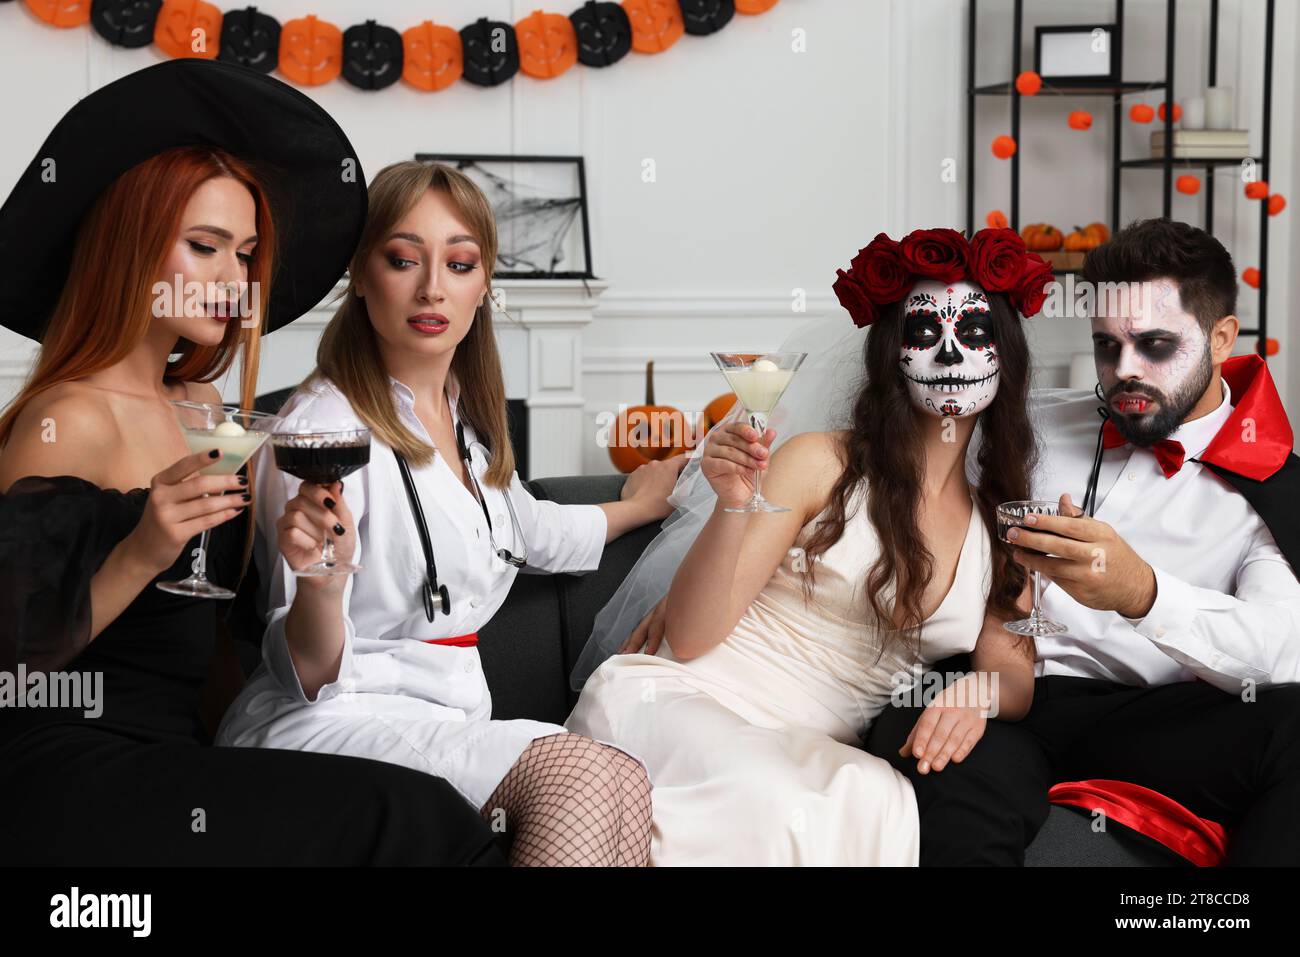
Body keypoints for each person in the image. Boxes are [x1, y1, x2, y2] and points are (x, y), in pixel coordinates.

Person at [0, 60, 503, 864]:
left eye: (245, 254)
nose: (234, 281)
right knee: (415, 819)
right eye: (205, 247)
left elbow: (222, 643)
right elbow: (13, 660)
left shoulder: (209, 414)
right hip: (64, 769)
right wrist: (141, 550)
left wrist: (313, 566)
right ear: (130, 247)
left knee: (420, 812)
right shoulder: (67, 420)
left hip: (181, 760)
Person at [217, 160, 681, 867]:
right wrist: (320, 584)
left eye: (459, 263)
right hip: (330, 722)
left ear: (483, 283)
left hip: (443, 718)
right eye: (403, 259)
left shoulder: (462, 424)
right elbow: (302, 669)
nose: (433, 287)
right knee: (586, 774)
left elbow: (531, 529)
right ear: (361, 275)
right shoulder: (319, 431)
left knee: (622, 779)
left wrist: (636, 504)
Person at [565, 228, 1055, 864]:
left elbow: (1013, 674)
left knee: (877, 800)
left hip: (818, 750)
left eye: (977, 334)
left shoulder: (1002, 519)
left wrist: (977, 693)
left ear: (1007, 359)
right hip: (695, 703)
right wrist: (735, 507)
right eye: (924, 333)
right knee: (768, 791)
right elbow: (687, 638)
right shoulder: (819, 461)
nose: (949, 353)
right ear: (891, 354)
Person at [863, 218, 1300, 866]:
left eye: (1154, 344)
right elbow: (895, 449)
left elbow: (1279, 653)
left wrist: (1141, 592)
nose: (1125, 370)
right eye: (1106, 345)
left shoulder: (1269, 481)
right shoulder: (1028, 421)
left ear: (1222, 337)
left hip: (1154, 720)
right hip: (1016, 690)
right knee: (931, 746)